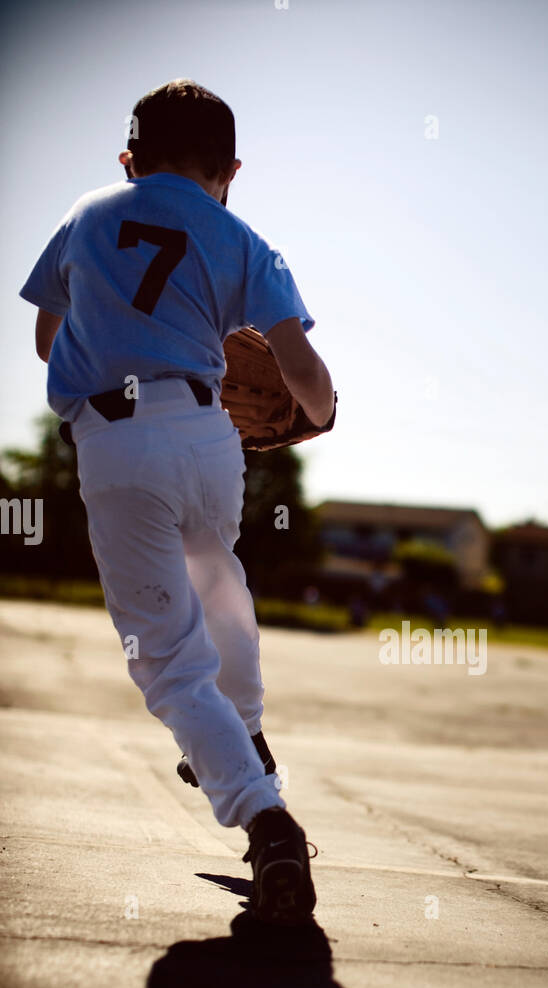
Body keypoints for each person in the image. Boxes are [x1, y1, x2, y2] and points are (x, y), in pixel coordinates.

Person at [19, 80, 335, 925]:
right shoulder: (241, 237)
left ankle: (264, 819)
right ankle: (249, 733)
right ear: (230, 169)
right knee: (218, 580)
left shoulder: (88, 213)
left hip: (117, 444)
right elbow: (302, 371)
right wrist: (321, 410)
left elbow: (47, 335)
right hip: (209, 437)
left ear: (128, 158)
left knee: (168, 662)